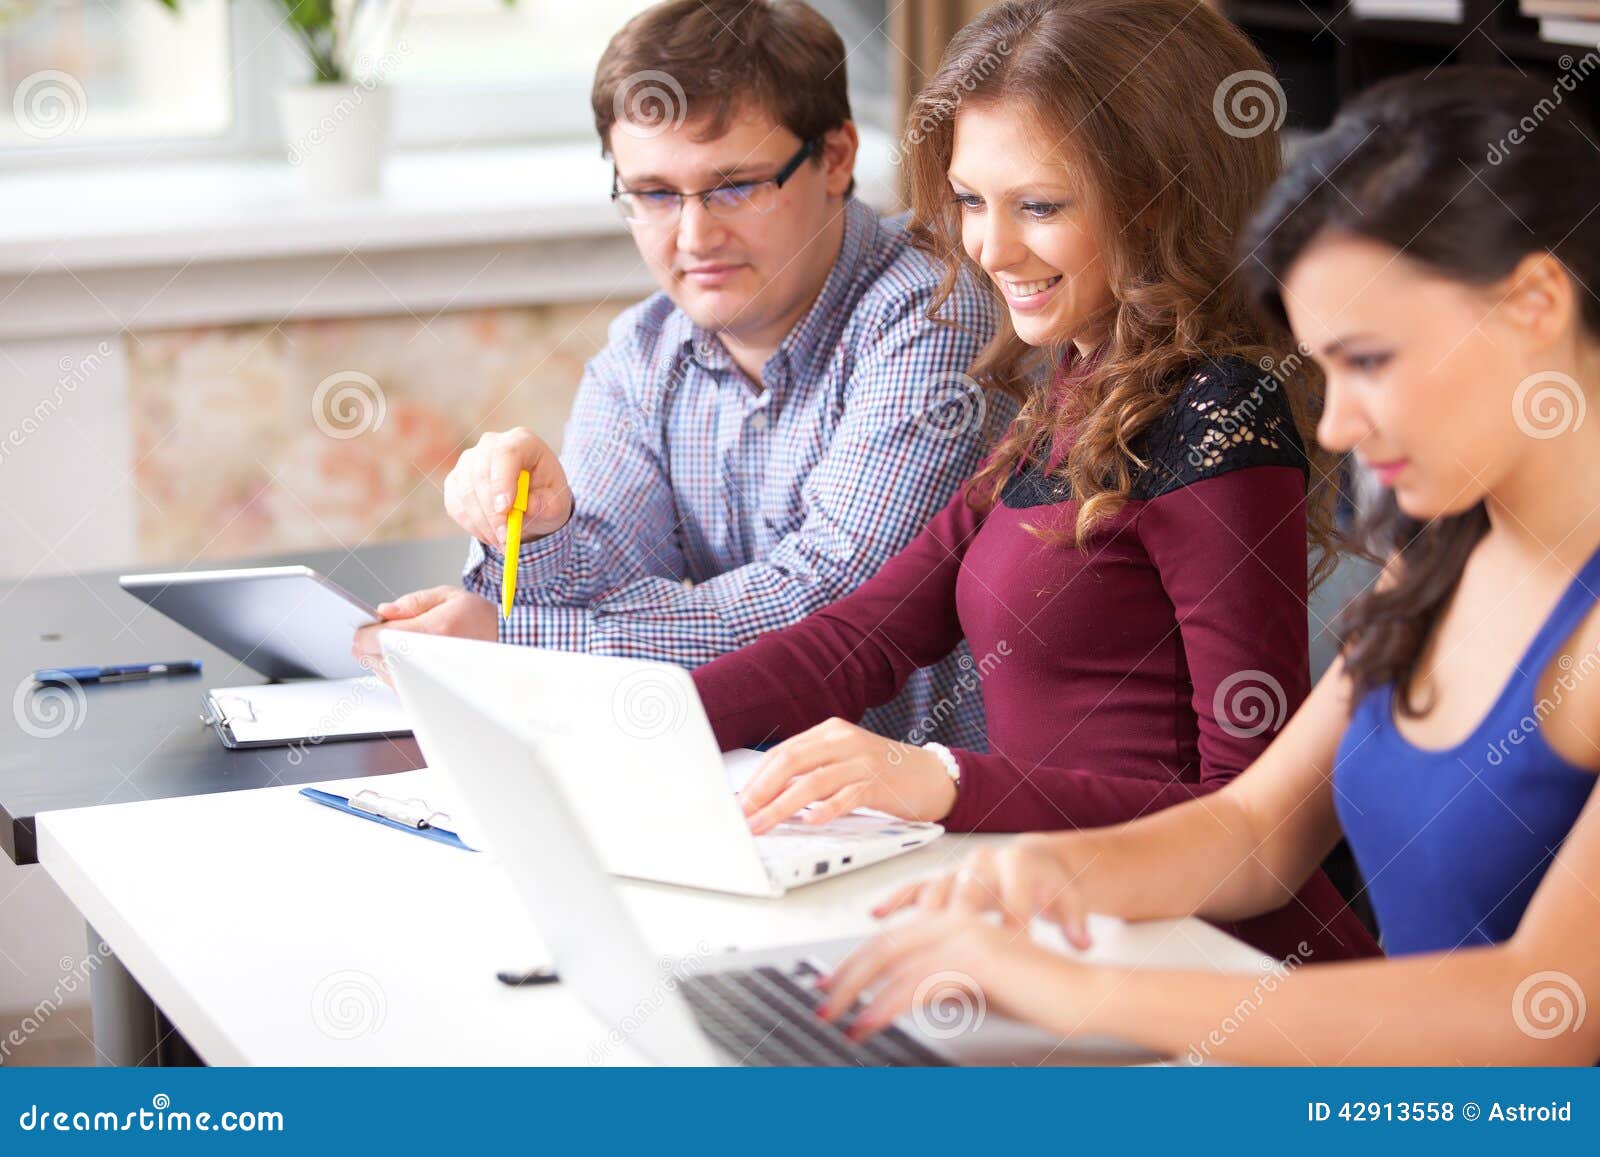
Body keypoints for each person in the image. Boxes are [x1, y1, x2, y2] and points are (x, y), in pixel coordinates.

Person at [820, 66, 1600, 1066]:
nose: (1335, 423)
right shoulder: (1442, 549)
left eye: (1369, 360)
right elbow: (1256, 830)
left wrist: (1082, 991)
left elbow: (1544, 1011)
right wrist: (1048, 872)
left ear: (1534, 299)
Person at [684, 0, 1375, 964]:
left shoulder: (1221, 416)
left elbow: (1242, 812)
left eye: (1038, 206)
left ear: (1162, 199)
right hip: (1070, 912)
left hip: (1206, 950)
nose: (989, 248)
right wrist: (639, 731)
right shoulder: (1084, 380)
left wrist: (944, 779)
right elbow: (864, 636)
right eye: (971, 199)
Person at [353, 0, 1010, 751]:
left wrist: (514, 634)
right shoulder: (642, 352)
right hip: (736, 784)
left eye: (735, 185)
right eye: (656, 194)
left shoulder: (934, 315)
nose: (695, 237)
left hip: (941, 816)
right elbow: (601, 577)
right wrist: (539, 531)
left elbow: (827, 599)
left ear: (835, 158)